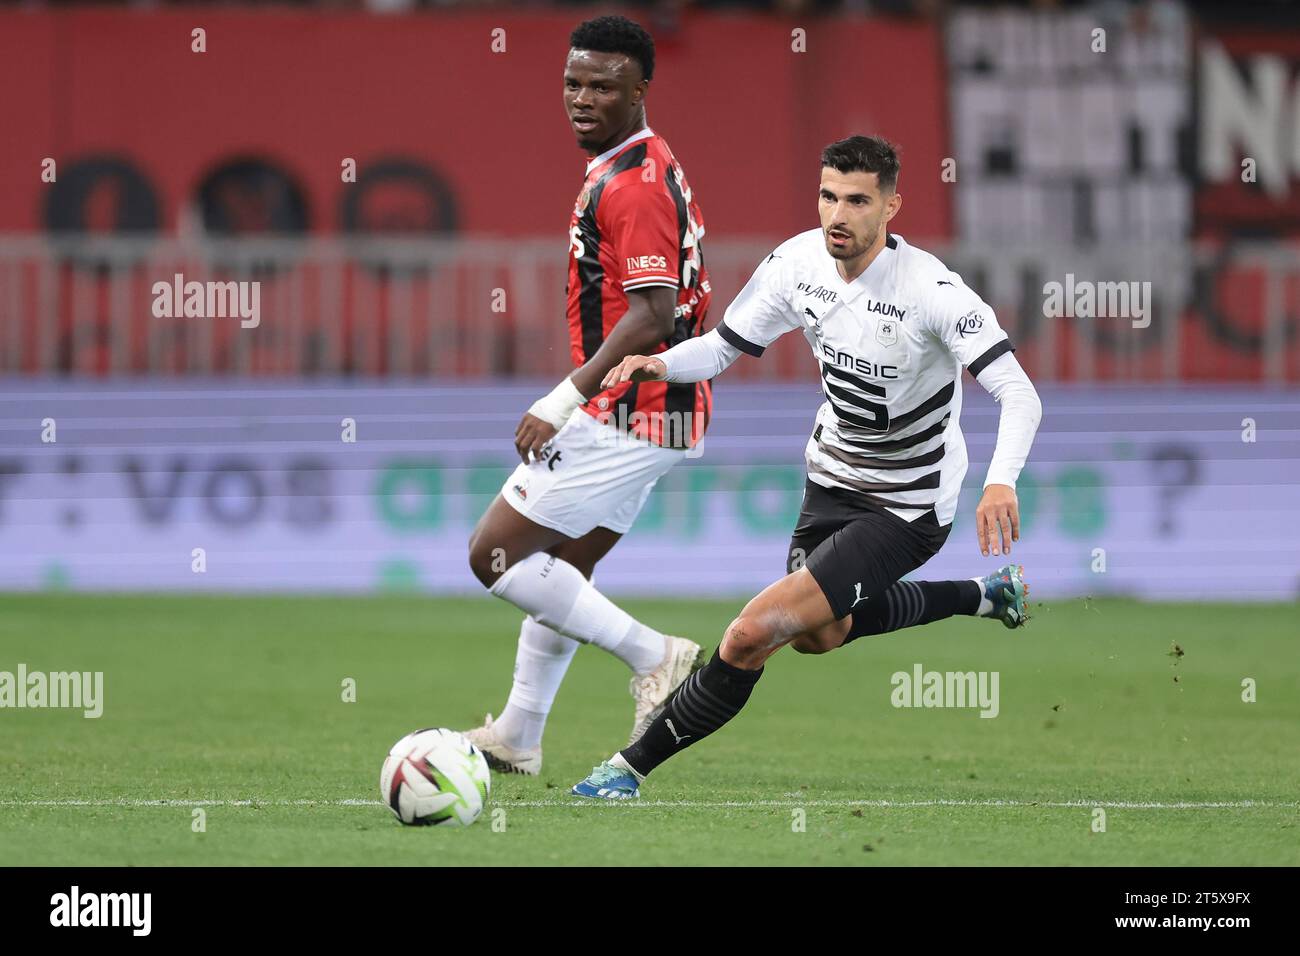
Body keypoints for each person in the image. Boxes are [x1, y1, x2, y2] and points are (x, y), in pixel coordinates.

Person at [571, 135, 1043, 799]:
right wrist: (661, 363)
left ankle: (624, 771)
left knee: (750, 634)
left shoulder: (934, 292)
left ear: (890, 208)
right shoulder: (797, 265)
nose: (837, 215)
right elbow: (723, 346)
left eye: (857, 200)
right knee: (822, 634)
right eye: (827, 196)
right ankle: (983, 594)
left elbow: (1019, 393)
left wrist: (1000, 482)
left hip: (907, 505)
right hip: (829, 479)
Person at [463, 16, 713, 774]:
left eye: (603, 86)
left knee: (496, 555)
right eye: (573, 83)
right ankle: (519, 734)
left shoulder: (634, 184)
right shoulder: (632, 162)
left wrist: (564, 397)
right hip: (662, 412)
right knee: (563, 572)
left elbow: (654, 311)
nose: (582, 98)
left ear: (641, 89)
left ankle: (655, 656)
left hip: (627, 409)